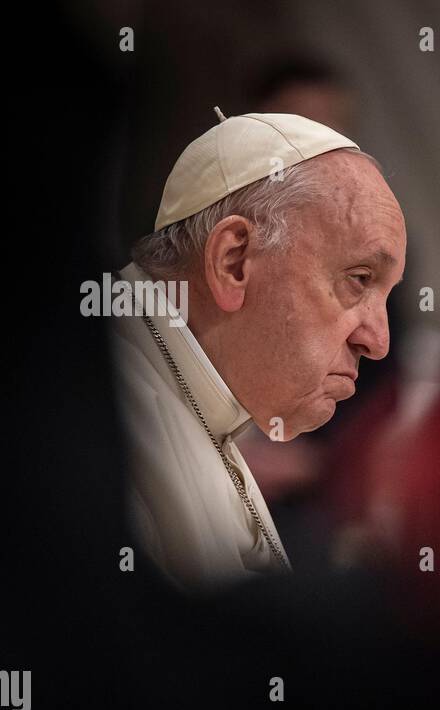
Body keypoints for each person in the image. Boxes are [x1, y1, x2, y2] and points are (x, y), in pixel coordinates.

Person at [110, 110, 407, 588]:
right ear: (234, 262)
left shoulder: (202, 405)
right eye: (359, 279)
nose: (377, 342)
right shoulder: (103, 415)